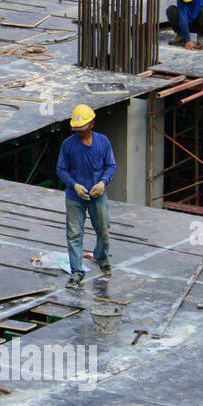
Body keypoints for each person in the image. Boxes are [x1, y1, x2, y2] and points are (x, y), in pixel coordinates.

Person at [56, 104, 115, 290]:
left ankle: (101, 257)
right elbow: (61, 169)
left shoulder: (103, 142)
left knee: (104, 230)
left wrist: (102, 183)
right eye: (77, 129)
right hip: (75, 197)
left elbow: (111, 165)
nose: (80, 133)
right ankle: (76, 272)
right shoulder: (68, 145)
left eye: (83, 129)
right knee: (74, 234)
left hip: (98, 195)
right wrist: (74, 185)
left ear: (92, 125)